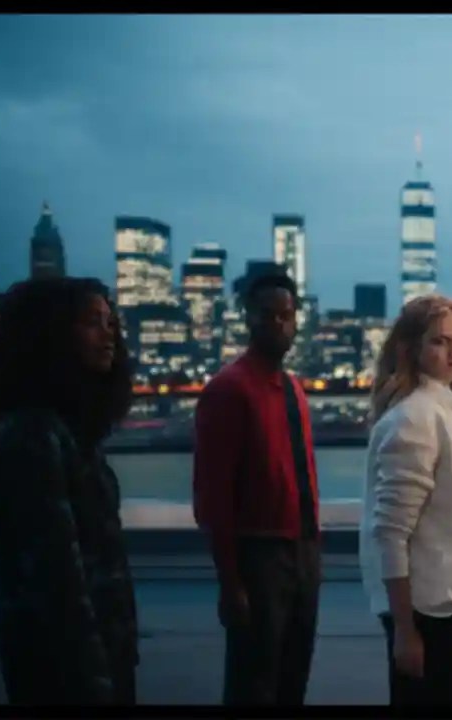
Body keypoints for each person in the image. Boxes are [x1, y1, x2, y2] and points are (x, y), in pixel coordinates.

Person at [0, 277, 138, 705]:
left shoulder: (72, 435)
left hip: (99, 660)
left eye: (111, 321)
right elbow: (58, 581)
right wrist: (95, 681)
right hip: (66, 674)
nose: (109, 333)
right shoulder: (34, 436)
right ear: (50, 337)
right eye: (92, 321)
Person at [359, 294, 452, 706]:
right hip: (423, 614)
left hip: (442, 607)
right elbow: (390, 534)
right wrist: (405, 629)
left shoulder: (446, 411)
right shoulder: (415, 418)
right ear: (412, 349)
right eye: (439, 341)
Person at [193, 273, 322, 705]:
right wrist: (231, 582)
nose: (279, 324)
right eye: (268, 315)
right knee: (254, 683)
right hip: (259, 555)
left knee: (292, 679)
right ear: (248, 318)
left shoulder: (294, 390)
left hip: (302, 552)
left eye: (287, 315)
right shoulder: (227, 391)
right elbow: (214, 497)